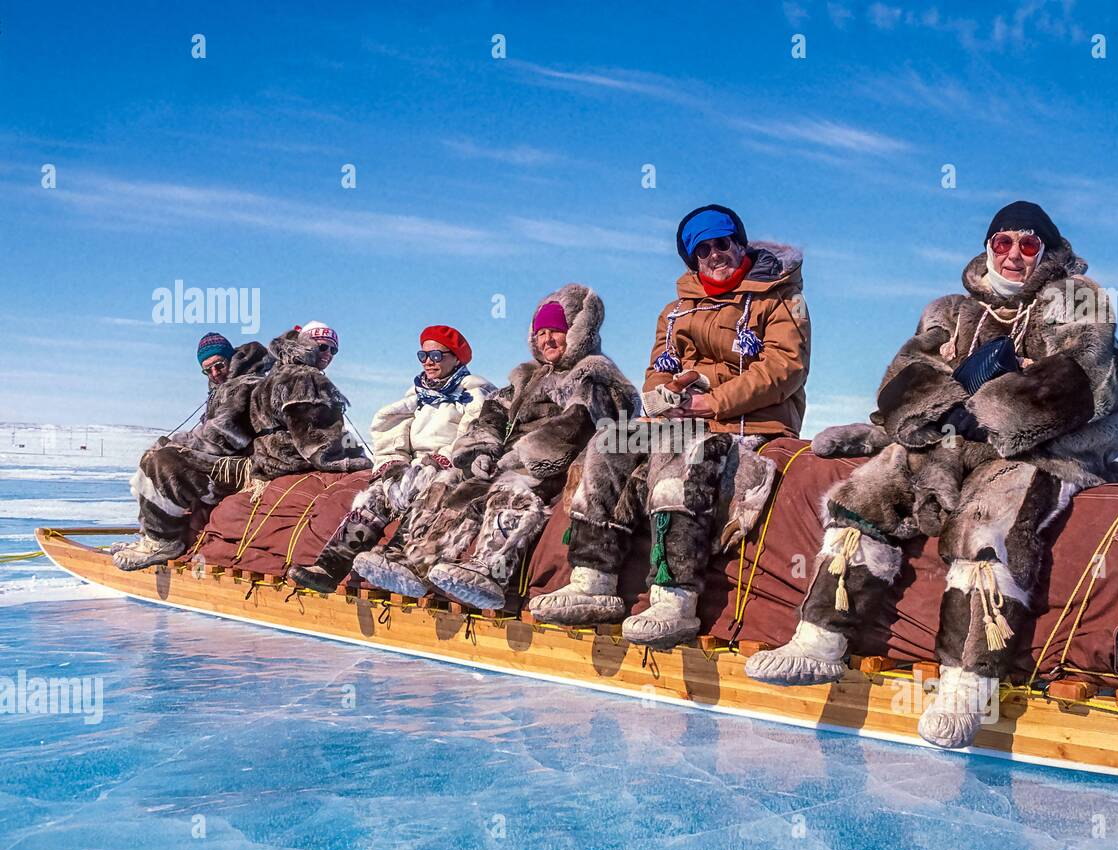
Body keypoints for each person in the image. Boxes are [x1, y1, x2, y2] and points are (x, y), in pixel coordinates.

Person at [746, 200, 1118, 750]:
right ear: (987, 249)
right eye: (1001, 243)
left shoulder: (1077, 301)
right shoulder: (952, 310)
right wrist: (936, 408)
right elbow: (901, 380)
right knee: (863, 495)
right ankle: (819, 639)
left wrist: (985, 408)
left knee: (985, 529)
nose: (1012, 255)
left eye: (1028, 245)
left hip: (1038, 452)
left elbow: (1080, 378)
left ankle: (967, 683)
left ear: (1047, 252)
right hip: (948, 443)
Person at [528, 204, 811, 649]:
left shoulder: (778, 301)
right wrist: (665, 397)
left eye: (723, 243)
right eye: (703, 249)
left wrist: (710, 400)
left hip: (746, 420)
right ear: (693, 259)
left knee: (681, 456)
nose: (715, 254)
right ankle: (593, 579)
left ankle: (674, 596)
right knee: (611, 441)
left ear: (740, 245)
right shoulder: (675, 311)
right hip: (682, 416)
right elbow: (659, 369)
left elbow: (784, 368)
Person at [373, 285, 639, 609]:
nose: (547, 340)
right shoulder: (527, 376)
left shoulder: (593, 375)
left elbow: (576, 425)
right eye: (541, 333)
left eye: (557, 331)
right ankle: (416, 561)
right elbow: (493, 412)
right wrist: (482, 449)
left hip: (554, 466)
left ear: (578, 332)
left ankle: (490, 571)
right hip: (504, 460)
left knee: (510, 490)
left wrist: (520, 455)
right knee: (451, 485)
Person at [287, 325, 494, 593]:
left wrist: (436, 463)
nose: (429, 362)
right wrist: (395, 464)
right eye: (423, 356)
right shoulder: (417, 396)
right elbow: (395, 436)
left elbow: (470, 437)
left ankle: (399, 558)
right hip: (414, 463)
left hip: (450, 464)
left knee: (434, 490)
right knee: (376, 494)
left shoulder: (472, 394)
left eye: (437, 356)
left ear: (456, 358)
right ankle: (329, 567)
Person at [112, 336, 272, 570]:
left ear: (232, 359)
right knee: (153, 460)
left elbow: (225, 435)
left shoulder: (245, 385)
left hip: (246, 464)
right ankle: (152, 536)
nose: (215, 373)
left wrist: (177, 446)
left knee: (164, 465)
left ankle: (163, 542)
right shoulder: (224, 387)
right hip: (229, 458)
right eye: (207, 370)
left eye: (219, 365)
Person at [245, 328, 373, 483]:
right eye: (323, 347)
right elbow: (320, 445)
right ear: (306, 344)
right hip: (295, 463)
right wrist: (361, 462)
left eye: (334, 350)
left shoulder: (273, 375)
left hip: (267, 463)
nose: (328, 354)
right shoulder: (306, 378)